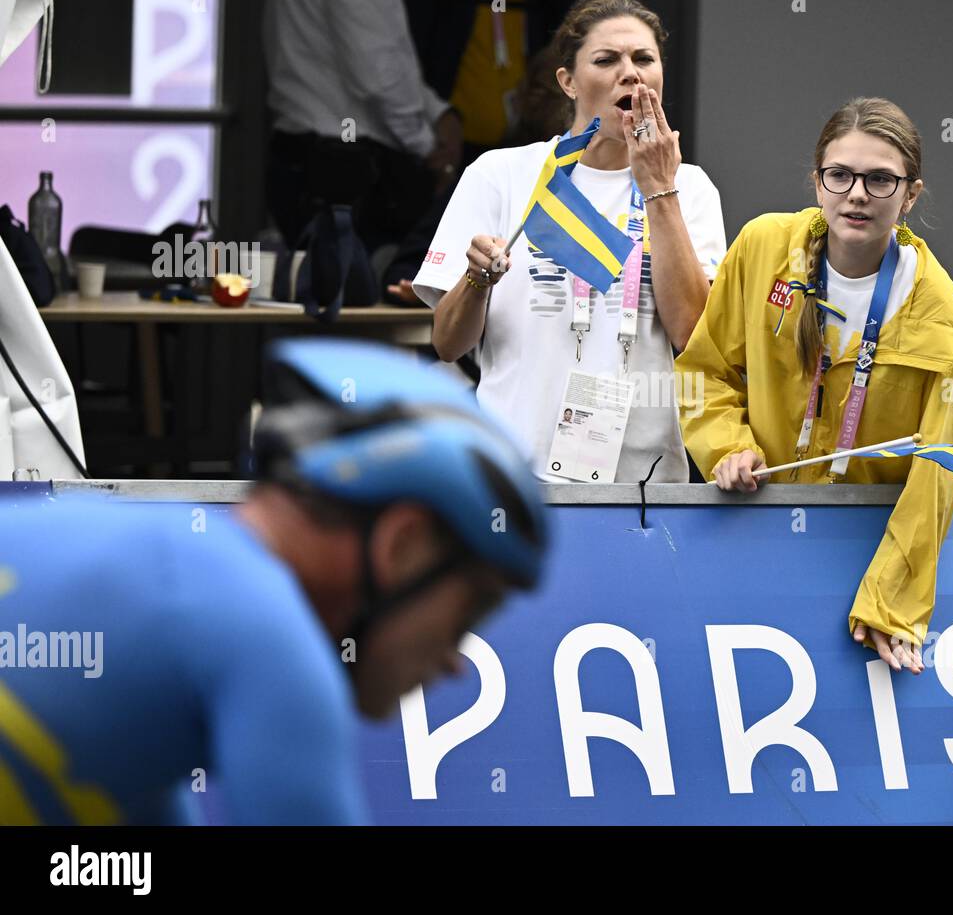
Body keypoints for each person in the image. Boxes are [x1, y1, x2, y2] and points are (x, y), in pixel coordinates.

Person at [0, 338, 547, 824]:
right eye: (471, 611)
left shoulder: (174, 568)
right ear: (400, 546)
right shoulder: (268, 633)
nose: (456, 662)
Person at [674, 97, 953, 675]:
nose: (857, 194)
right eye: (840, 175)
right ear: (818, 182)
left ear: (910, 195)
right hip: (753, 526)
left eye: (880, 179)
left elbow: (939, 470)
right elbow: (702, 370)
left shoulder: (940, 315)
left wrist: (891, 604)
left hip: (861, 546)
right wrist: (726, 446)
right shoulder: (763, 247)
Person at [413, 0, 726, 484]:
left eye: (644, 59)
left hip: (644, 485)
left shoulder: (693, 186)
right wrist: (477, 279)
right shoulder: (502, 174)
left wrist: (660, 189)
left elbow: (690, 333)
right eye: (607, 60)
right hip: (512, 478)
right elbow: (448, 344)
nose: (631, 73)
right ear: (568, 82)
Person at [262, 0, 465, 251]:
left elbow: (380, 59)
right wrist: (429, 149)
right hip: (344, 172)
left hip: (303, 155)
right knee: (359, 292)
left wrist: (436, 112)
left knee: (311, 286)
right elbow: (378, 76)